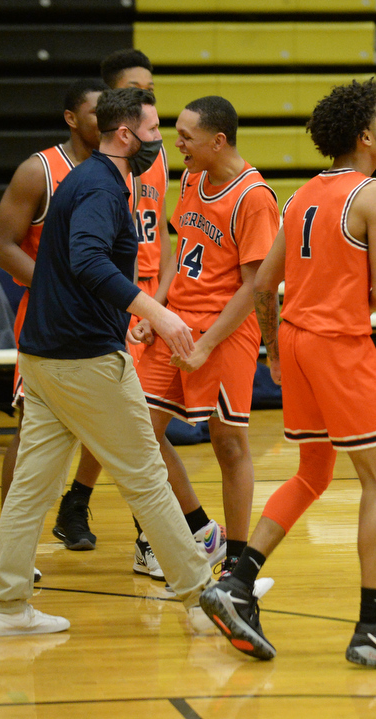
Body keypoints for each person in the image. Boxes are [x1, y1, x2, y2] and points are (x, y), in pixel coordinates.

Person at [199, 79, 376, 668]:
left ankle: (236, 581)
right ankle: (373, 627)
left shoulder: (301, 194)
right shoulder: (371, 194)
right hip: (339, 345)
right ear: (365, 136)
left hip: (300, 343)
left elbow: (262, 283)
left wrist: (277, 350)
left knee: (312, 473)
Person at [0, 87, 213, 637]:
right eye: (156, 131)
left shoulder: (93, 180)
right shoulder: (102, 189)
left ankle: (7, 607)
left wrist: (123, 311)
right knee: (149, 479)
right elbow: (86, 261)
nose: (162, 142)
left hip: (45, 353)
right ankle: (206, 601)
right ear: (127, 134)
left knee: (32, 487)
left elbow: (75, 268)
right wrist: (155, 311)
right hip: (82, 358)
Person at [51, 49, 198, 579]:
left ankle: (83, 503)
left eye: (152, 90)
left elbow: (162, 234)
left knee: (137, 425)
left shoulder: (153, 158)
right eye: (140, 91)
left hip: (145, 300)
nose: (150, 101)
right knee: (133, 429)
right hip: (98, 304)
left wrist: (157, 299)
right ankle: (168, 546)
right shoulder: (87, 172)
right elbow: (81, 257)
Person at [131, 95, 278, 580]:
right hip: (175, 322)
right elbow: (178, 251)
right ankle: (199, 530)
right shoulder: (192, 177)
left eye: (186, 137)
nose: (177, 144)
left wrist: (209, 343)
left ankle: (238, 561)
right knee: (139, 437)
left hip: (224, 332)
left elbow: (255, 286)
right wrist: (156, 307)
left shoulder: (254, 196)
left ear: (218, 140)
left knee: (228, 444)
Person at [0, 78, 107, 568]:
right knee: (31, 428)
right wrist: (55, 284)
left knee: (121, 429)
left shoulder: (118, 172)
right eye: (98, 113)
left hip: (101, 321)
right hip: (45, 319)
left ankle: (86, 512)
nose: (109, 122)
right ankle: (10, 552)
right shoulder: (38, 171)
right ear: (71, 119)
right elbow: (1, 246)